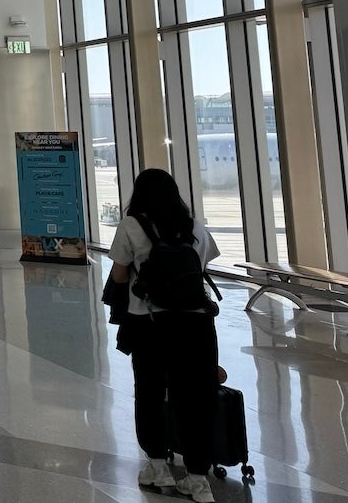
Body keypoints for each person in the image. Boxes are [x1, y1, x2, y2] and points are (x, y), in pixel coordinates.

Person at [107, 169, 222, 503]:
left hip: (149, 321)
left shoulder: (131, 226)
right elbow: (201, 268)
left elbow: (118, 273)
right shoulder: (195, 228)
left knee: (150, 391)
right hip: (196, 323)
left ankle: (157, 466)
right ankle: (198, 478)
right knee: (197, 397)